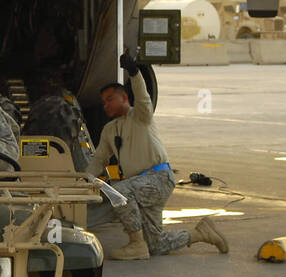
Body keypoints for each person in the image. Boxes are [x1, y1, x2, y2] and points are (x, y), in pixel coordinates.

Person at [85, 52, 227, 260]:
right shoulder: (109, 130)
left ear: (124, 97)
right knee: (156, 244)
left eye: (110, 99)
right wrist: (84, 180)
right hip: (141, 184)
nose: (105, 105)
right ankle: (201, 233)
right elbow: (99, 160)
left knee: (120, 193)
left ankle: (136, 244)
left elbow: (142, 96)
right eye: (103, 102)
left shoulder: (140, 116)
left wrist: (134, 72)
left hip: (158, 178)